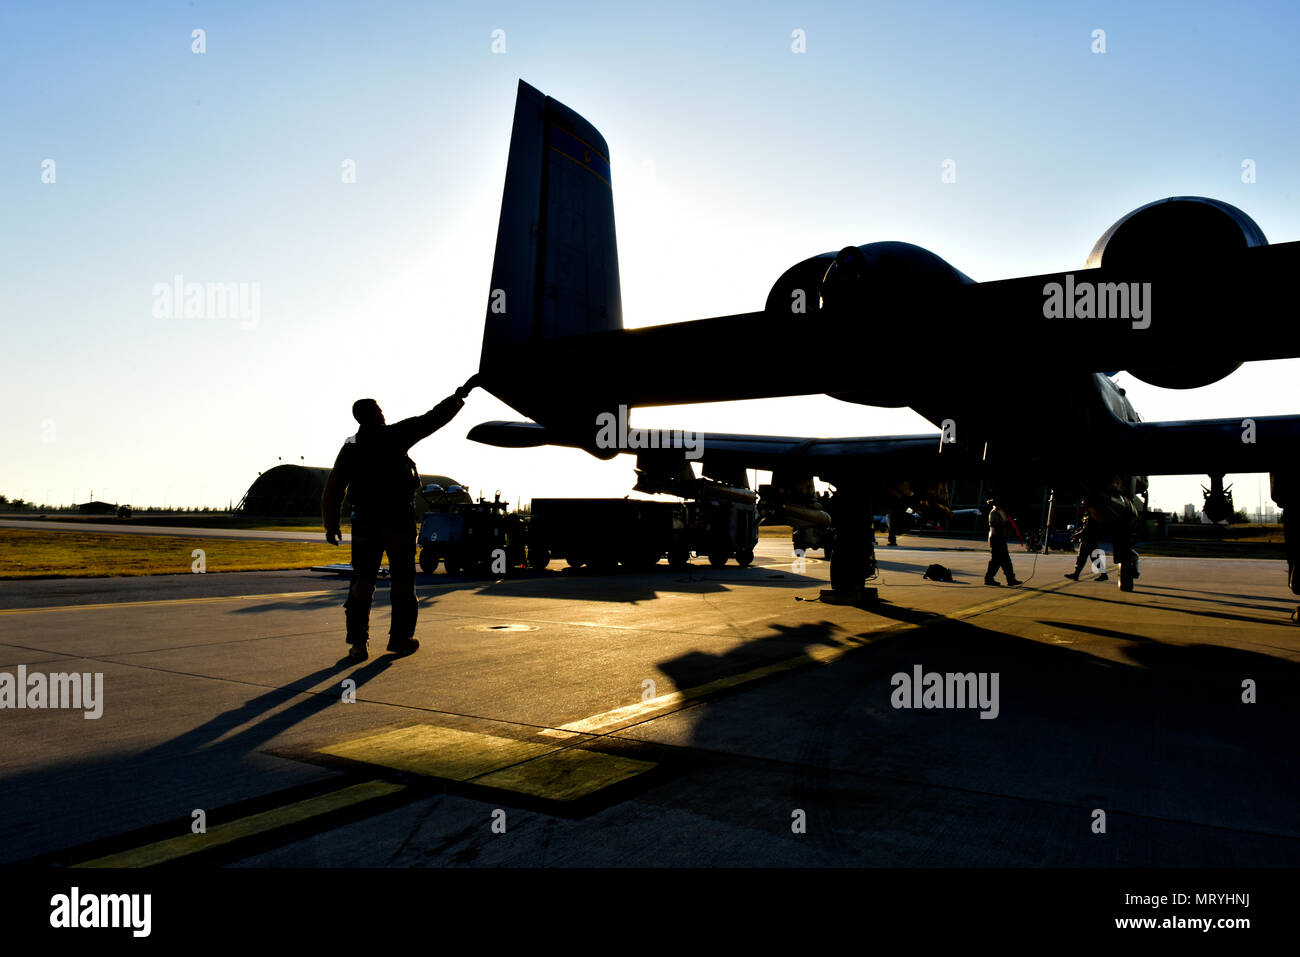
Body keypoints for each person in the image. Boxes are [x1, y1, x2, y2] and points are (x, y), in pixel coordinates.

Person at [323, 381, 474, 661]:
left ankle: (358, 643)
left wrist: (331, 524)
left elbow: (334, 487)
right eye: (378, 411)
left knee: (362, 582)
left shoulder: (352, 446)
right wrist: (460, 395)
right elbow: (432, 419)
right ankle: (400, 639)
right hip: (397, 523)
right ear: (373, 415)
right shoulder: (395, 436)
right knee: (403, 582)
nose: (382, 414)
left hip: (366, 523)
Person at [1065, 500, 1108, 581]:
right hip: (1086, 539)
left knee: (1093, 558)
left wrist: (1076, 535)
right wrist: (1078, 532)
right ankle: (1076, 574)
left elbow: (1087, 529)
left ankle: (1103, 575)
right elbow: (1084, 528)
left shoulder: (1092, 515)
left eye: (1083, 505)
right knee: (1082, 558)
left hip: (1090, 539)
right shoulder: (1088, 514)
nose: (1082, 506)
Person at [984, 496, 1021, 586]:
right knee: (1000, 560)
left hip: (1000, 537)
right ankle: (992, 578)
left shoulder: (1001, 512)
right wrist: (1005, 526)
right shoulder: (994, 512)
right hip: (996, 538)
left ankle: (1009, 579)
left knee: (1002, 560)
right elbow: (994, 525)